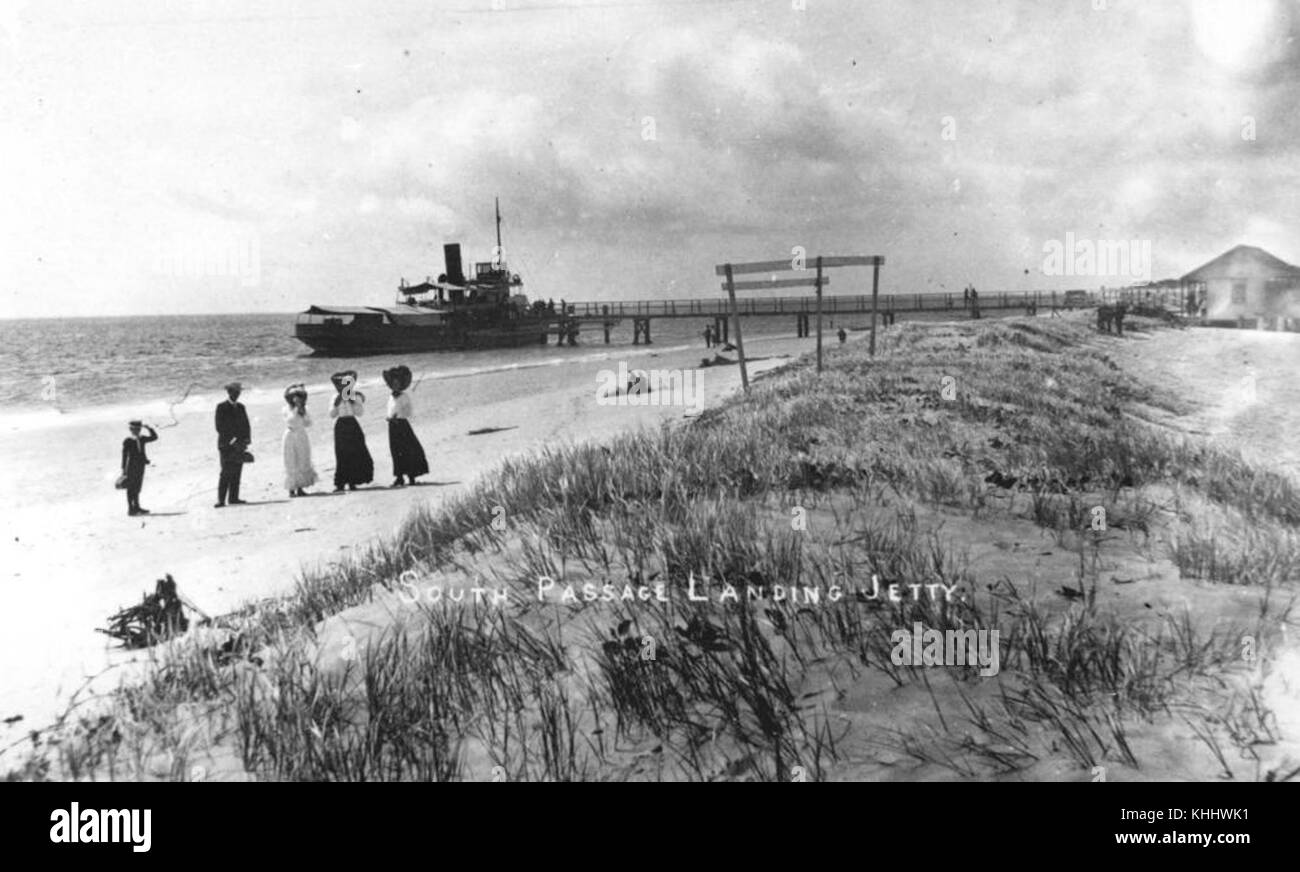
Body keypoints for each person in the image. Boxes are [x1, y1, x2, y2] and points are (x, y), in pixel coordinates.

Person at [383, 365, 429, 487]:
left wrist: (398, 415)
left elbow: (409, 412)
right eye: (393, 383)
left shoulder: (404, 396)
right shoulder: (390, 396)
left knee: (408, 450)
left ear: (401, 385)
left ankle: (411, 477)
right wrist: (389, 417)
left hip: (402, 425)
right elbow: (389, 411)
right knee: (395, 451)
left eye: (397, 383)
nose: (395, 385)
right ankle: (399, 477)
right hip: (392, 426)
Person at [329, 371, 373, 492]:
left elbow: (360, 413)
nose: (343, 388)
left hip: (352, 424)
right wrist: (336, 403)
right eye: (341, 386)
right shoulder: (335, 397)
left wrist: (353, 402)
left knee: (355, 452)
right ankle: (340, 483)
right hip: (341, 425)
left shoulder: (355, 396)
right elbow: (332, 415)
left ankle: (353, 481)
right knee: (341, 453)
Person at [215, 381, 251, 508]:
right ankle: (221, 500)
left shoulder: (241, 407)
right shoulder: (221, 407)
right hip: (226, 445)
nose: (237, 394)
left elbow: (246, 424)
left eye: (239, 392)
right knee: (225, 472)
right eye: (235, 392)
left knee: (237, 471)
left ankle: (234, 498)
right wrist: (232, 439)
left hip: (239, 444)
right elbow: (219, 427)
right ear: (229, 392)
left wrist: (246, 439)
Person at [282, 384, 317, 497]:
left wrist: (303, 412)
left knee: (302, 459)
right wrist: (297, 409)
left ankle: (300, 488)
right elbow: (290, 420)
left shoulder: (305, 409)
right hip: (290, 434)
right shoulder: (286, 409)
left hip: (301, 434)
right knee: (290, 461)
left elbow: (309, 423)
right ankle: (291, 489)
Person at [120, 420, 158, 516]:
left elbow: (154, 437)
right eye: (134, 429)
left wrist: (149, 428)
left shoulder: (141, 439)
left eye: (138, 429)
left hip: (140, 466)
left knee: (137, 487)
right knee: (130, 488)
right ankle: (131, 509)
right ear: (130, 429)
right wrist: (124, 469)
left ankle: (137, 507)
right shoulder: (128, 440)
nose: (137, 431)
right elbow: (124, 455)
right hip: (131, 467)